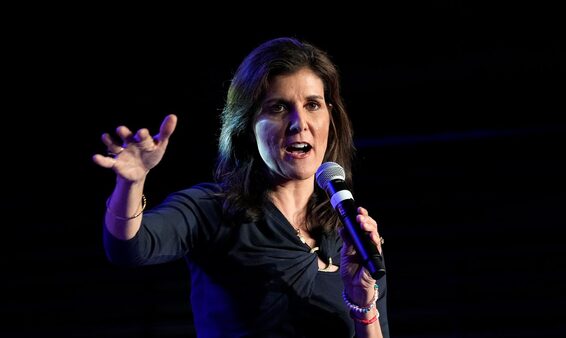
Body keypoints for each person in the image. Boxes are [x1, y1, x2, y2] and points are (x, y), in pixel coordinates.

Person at [93, 36, 389, 338]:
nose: (299, 123)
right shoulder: (211, 208)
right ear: (248, 124)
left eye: (312, 105)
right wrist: (131, 184)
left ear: (330, 116)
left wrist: (363, 306)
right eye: (278, 108)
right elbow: (128, 248)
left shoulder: (351, 239)